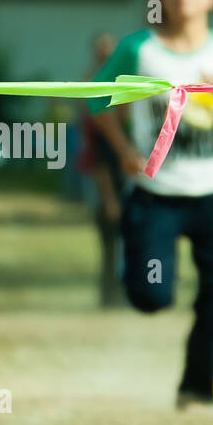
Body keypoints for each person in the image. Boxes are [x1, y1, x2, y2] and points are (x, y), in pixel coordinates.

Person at [87, 0, 213, 410]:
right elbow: (96, 102)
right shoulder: (138, 50)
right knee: (150, 296)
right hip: (156, 194)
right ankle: (141, 279)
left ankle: (197, 386)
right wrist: (125, 150)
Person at [79, 32, 128, 308]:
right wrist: (109, 200)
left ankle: (116, 294)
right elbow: (100, 163)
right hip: (102, 171)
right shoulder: (92, 85)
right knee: (110, 240)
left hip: (116, 171)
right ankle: (108, 296)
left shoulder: (119, 86)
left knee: (120, 243)